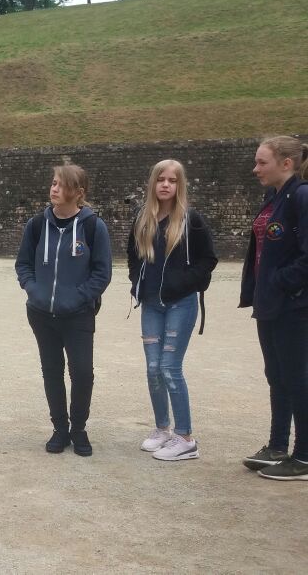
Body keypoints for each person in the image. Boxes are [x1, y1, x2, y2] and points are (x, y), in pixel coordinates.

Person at [15, 164, 112, 456]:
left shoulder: (94, 226)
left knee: (82, 372)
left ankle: (79, 429)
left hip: (78, 314)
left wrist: (78, 298)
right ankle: (59, 428)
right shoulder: (36, 224)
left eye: (61, 184)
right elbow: (23, 264)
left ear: (78, 193)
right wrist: (34, 290)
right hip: (41, 314)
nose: (54, 188)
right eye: (53, 183)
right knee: (52, 371)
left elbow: (102, 272)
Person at [126, 160, 217, 461]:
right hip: (151, 305)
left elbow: (208, 260)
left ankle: (186, 437)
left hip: (181, 303)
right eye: (160, 179)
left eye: (172, 180)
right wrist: (136, 283)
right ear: (152, 183)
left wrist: (183, 283)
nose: (166, 185)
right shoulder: (143, 219)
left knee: (169, 367)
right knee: (152, 369)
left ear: (180, 185)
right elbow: (132, 255)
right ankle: (162, 429)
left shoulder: (192, 220)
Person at [239, 135, 308, 481]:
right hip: (270, 303)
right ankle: (278, 446)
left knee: (297, 378)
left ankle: (305, 456)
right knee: (277, 376)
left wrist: (282, 281)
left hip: (293, 305)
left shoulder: (301, 196)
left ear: (286, 164)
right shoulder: (273, 198)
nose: (255, 169)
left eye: (262, 162)